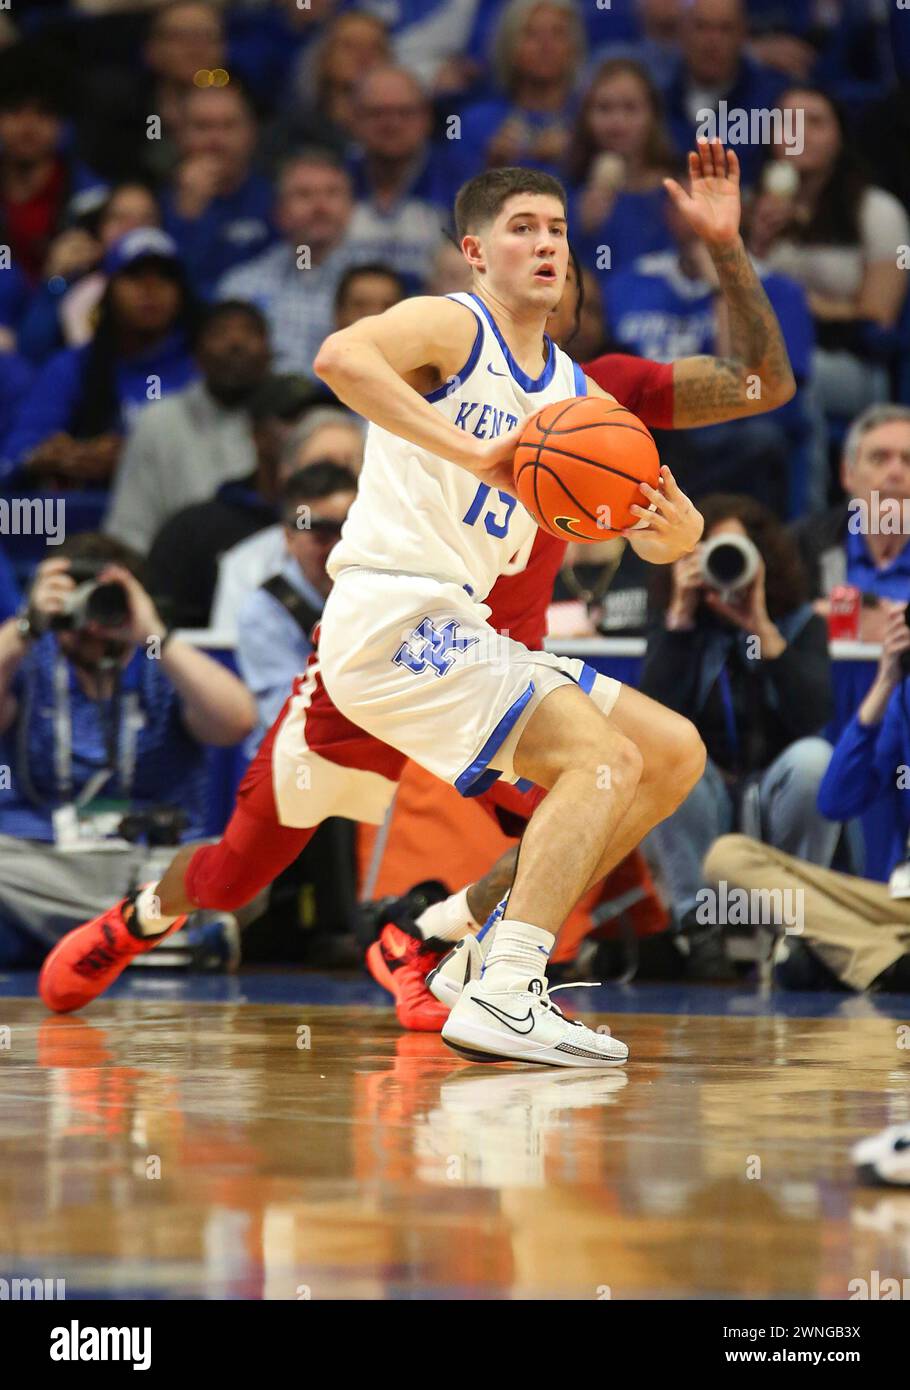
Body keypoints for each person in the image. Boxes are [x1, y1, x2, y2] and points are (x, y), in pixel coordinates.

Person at [37, 143, 787, 1071]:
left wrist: (669, 532)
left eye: (558, 229)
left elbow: (722, 441)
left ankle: (449, 947)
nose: (547, 245)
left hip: (470, 643)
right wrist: (475, 451)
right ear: (475, 252)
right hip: (389, 628)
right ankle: (149, 915)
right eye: (523, 229)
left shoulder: (585, 402)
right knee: (238, 874)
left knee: (665, 756)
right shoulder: (450, 327)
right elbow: (339, 355)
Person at [0, 533, 255, 969]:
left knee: (248, 859)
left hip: (157, 863)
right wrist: (28, 624)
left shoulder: (159, 664)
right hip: (54, 859)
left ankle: (91, 942)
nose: (91, 621)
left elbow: (236, 723)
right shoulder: (32, 660)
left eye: (105, 600)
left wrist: (154, 632)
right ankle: (161, 941)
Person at [640, 493, 837, 976]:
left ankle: (801, 925)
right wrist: (681, 621)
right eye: (710, 554)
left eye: (734, 554)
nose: (723, 567)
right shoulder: (678, 625)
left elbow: (813, 715)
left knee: (816, 760)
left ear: (763, 562)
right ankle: (698, 929)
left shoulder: (801, 624)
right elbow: (652, 717)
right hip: (704, 790)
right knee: (665, 757)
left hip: (773, 789)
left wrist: (763, 628)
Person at [704, 599, 910, 994]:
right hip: (891, 902)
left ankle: (862, 955)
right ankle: (886, 958)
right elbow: (835, 800)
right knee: (728, 857)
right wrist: (886, 681)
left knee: (803, 964)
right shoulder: (904, 697)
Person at [748, 86, 910, 432]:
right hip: (757, 356)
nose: (799, 133)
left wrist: (798, 304)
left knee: (788, 385)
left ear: (839, 137)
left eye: (815, 122)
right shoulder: (747, 209)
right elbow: (721, 301)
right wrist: (757, 244)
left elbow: (879, 315)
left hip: (846, 360)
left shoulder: (877, 212)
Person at [2, 228, 199, 488]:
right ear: (108, 289)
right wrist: (54, 456)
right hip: (90, 514)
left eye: (165, 277)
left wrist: (135, 456)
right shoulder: (74, 366)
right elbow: (15, 455)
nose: (150, 289)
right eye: (135, 276)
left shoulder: (202, 366)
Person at [146, 374, 323, 630]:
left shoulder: (367, 529)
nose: (312, 430)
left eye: (322, 417)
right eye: (294, 419)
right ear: (257, 432)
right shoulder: (194, 531)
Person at [103, 300, 271, 553]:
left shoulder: (292, 421)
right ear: (196, 355)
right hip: (177, 578)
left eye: (250, 332)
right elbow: (129, 532)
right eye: (220, 333)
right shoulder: (157, 421)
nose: (236, 343)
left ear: (269, 352)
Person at [209, 408, 364, 637]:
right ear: (287, 473)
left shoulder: (402, 553)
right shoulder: (247, 565)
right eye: (323, 467)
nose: (338, 481)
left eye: (352, 466)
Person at [215, 152, 373, 375]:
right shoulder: (242, 286)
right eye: (304, 195)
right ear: (279, 212)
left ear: (351, 208)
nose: (320, 206)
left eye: (332, 193)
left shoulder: (377, 285)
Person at [236, 462, 358, 751]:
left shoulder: (386, 592)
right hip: (295, 765)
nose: (339, 548)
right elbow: (289, 718)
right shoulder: (265, 610)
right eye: (322, 535)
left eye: (349, 530)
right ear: (289, 538)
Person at [792, 404, 910, 644]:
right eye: (879, 459)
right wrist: (811, 625)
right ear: (848, 474)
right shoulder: (800, 547)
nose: (896, 472)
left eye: (909, 460)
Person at [16, 182, 162, 365]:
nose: (132, 229)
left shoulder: (172, 287)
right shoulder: (76, 283)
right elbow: (30, 352)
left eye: (145, 219)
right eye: (120, 218)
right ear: (99, 229)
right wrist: (55, 279)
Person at [160, 81, 276, 296]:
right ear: (180, 136)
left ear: (251, 133)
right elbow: (169, 285)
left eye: (229, 126)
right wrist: (187, 216)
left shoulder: (276, 200)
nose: (216, 140)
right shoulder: (156, 204)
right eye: (203, 127)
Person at [566, 58, 677, 276]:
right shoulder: (566, 192)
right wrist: (584, 226)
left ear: (652, 116)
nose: (617, 122)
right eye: (604, 109)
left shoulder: (676, 193)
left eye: (630, 108)